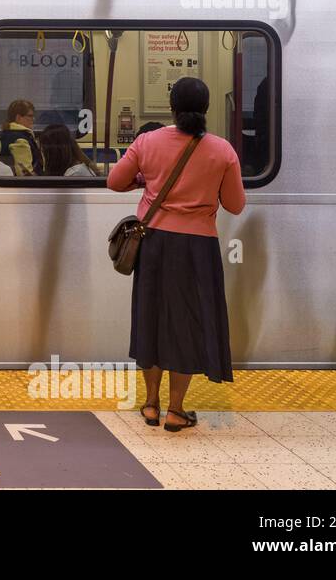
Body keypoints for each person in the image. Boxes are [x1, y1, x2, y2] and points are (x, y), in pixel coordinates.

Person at [107, 77, 245, 432]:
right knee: (187, 324)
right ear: (207, 108)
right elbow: (235, 204)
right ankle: (176, 410)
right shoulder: (222, 150)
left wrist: (145, 181)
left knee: (151, 319)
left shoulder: (147, 142)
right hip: (197, 247)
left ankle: (150, 405)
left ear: (170, 106)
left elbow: (115, 181)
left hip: (153, 243)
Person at [0, 99, 44, 176]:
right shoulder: (21, 140)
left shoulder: (6, 134)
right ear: (18, 117)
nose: (33, 119)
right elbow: (24, 173)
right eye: (30, 116)